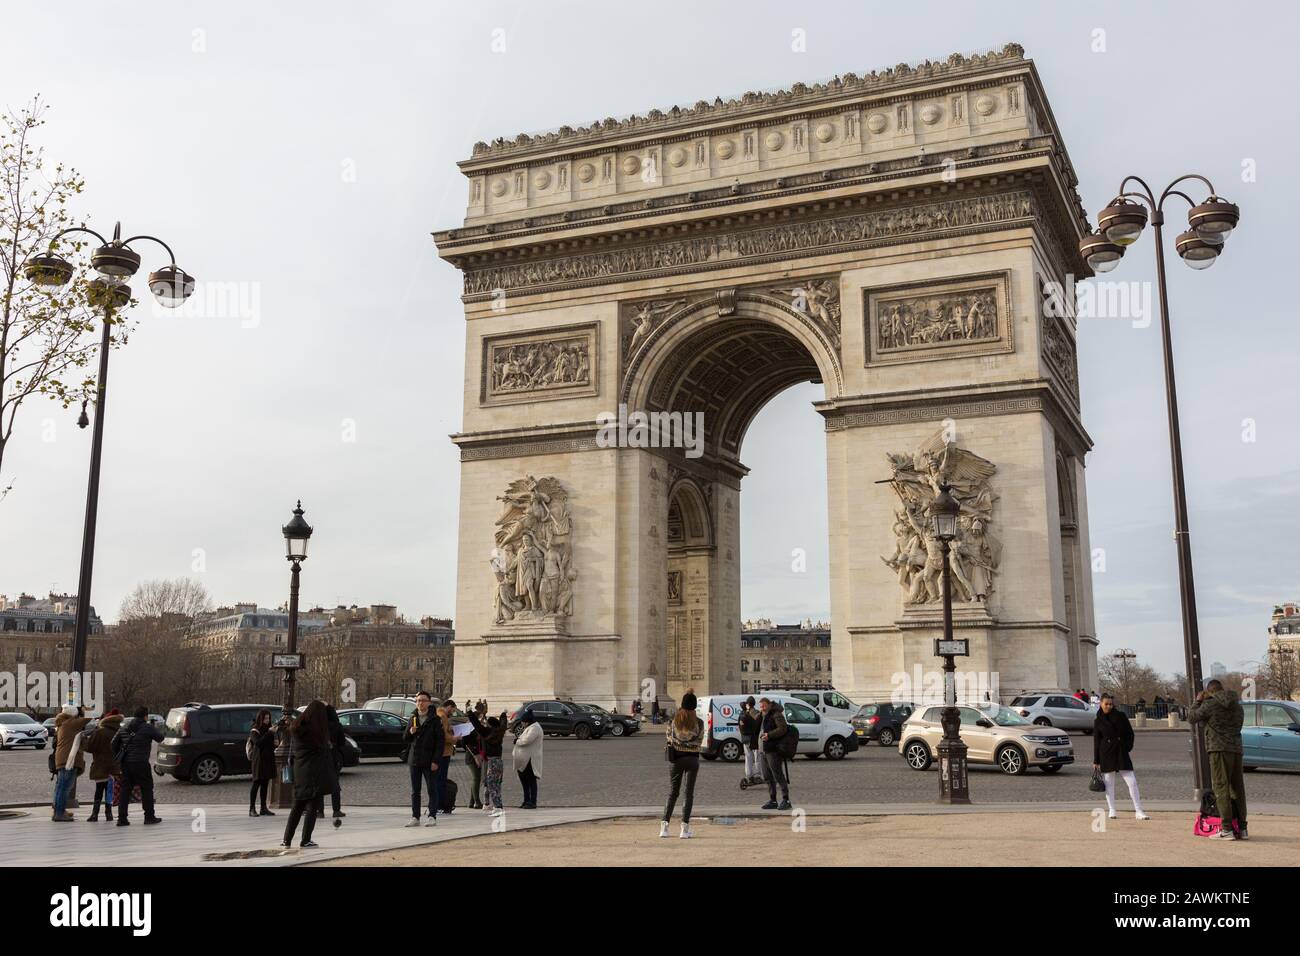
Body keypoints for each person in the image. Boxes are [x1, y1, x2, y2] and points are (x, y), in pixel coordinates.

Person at [1188, 679, 1248, 840]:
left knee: (1221, 787)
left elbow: (1192, 717)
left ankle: (1227, 829)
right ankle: (1242, 828)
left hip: (1218, 749)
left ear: (1210, 691)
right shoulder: (1237, 705)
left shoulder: (1210, 704)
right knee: (1238, 789)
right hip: (1236, 748)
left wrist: (1198, 701)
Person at [280, 700, 336, 849]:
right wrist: (329, 708)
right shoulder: (317, 732)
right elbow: (335, 726)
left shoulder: (297, 728)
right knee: (312, 808)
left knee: (297, 806)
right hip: (315, 773)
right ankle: (305, 839)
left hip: (300, 772)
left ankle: (286, 839)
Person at [1092, 693, 1149, 820]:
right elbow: (1096, 740)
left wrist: (1126, 747)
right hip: (1106, 753)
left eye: (1111, 704)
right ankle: (1112, 809)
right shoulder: (1097, 720)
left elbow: (1130, 733)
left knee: (1132, 782)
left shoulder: (1121, 716)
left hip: (1121, 751)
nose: (1109, 706)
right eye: (1106, 704)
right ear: (1101, 704)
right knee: (1109, 783)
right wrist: (1096, 760)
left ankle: (1138, 810)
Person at [661, 689, 703, 839]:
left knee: (673, 792)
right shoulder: (699, 722)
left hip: (676, 758)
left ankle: (664, 827)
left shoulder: (673, 722)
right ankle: (684, 829)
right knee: (688, 793)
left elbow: (668, 738)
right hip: (692, 759)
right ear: (694, 706)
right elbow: (699, 741)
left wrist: (678, 743)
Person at [113, 706, 164, 826]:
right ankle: (149, 816)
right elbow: (160, 738)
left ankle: (122, 818)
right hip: (141, 763)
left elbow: (113, 743)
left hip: (126, 764)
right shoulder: (147, 727)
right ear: (145, 716)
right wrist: (154, 728)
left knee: (125, 790)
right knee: (146, 788)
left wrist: (121, 756)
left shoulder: (124, 727)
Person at [403, 691, 444, 827]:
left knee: (432, 789)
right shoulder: (412, 717)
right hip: (414, 760)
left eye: (423, 700)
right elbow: (405, 738)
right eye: (418, 700)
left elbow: (440, 742)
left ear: (429, 702)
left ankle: (432, 816)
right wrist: (410, 732)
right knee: (415, 791)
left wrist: (435, 761)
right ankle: (415, 817)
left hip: (429, 760)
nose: (420, 703)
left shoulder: (435, 719)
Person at [52, 705, 91, 822]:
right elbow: (88, 719)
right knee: (64, 787)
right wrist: (86, 710)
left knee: (60, 787)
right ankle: (59, 813)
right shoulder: (70, 723)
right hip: (68, 760)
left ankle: (59, 811)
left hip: (62, 758)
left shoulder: (62, 723)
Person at [85, 708, 123, 823]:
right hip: (115, 766)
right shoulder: (121, 731)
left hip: (100, 765)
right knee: (110, 790)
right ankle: (109, 814)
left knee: (99, 790)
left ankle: (94, 814)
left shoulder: (99, 732)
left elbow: (89, 747)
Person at [469, 708, 508, 816]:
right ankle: (497, 806)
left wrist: (470, 713)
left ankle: (498, 807)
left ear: (489, 725)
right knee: (496, 785)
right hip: (498, 761)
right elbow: (503, 724)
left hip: (491, 762)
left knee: (491, 785)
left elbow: (476, 724)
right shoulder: (500, 732)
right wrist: (503, 715)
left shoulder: (486, 732)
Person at [758, 697, 791, 811]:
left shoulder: (776, 714)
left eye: (763, 706)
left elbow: (783, 729)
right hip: (763, 750)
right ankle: (773, 800)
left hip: (773, 750)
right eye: (760, 706)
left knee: (778, 775)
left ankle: (786, 799)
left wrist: (769, 735)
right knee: (767, 776)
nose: (761, 708)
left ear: (768, 705)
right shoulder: (762, 715)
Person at [248, 709, 277, 818]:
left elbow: (269, 744)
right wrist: (270, 733)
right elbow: (258, 743)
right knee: (256, 783)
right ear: (260, 718)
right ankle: (252, 808)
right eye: (265, 718)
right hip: (259, 760)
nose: (267, 720)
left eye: (268, 718)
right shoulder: (255, 730)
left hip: (268, 759)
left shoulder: (269, 730)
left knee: (265, 783)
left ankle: (263, 808)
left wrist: (275, 743)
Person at [513, 709, 543, 809]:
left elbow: (526, 740)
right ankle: (526, 800)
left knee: (531, 781)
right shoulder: (531, 727)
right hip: (524, 759)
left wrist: (517, 741)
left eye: (523, 721)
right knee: (524, 781)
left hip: (530, 759)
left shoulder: (535, 728)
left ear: (527, 721)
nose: (522, 723)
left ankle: (532, 801)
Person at [325, 703, 347, 827]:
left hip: (322, 757)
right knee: (335, 784)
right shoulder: (337, 725)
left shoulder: (321, 726)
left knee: (320, 784)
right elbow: (342, 742)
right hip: (334, 757)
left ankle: (320, 810)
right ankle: (336, 810)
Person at [435, 698, 457, 815]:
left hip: (443, 752)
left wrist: (451, 730)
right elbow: (443, 736)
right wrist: (455, 738)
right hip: (443, 752)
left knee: (440, 779)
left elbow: (445, 732)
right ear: (449, 706)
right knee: (440, 780)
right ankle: (439, 805)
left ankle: (439, 804)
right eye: (452, 710)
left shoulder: (441, 715)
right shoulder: (442, 716)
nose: (452, 713)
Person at [463, 701, 485, 810]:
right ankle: (477, 801)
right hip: (472, 756)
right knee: (476, 778)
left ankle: (471, 802)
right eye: (480, 718)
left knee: (476, 778)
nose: (481, 720)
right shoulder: (470, 728)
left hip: (476, 755)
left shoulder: (475, 727)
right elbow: (467, 744)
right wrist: (476, 756)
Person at [737, 696, 763, 784]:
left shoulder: (742, 713)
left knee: (748, 757)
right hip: (754, 739)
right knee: (757, 757)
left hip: (745, 739)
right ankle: (758, 775)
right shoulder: (756, 713)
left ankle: (749, 775)